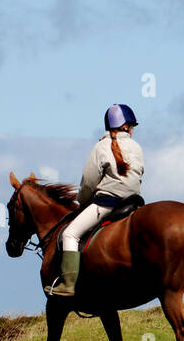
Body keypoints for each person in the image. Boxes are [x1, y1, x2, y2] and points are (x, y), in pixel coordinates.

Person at [51, 104, 145, 297]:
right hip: (133, 203)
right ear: (126, 127)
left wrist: (82, 201)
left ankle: (68, 284)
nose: (133, 130)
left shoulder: (101, 146)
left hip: (107, 204)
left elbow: (89, 182)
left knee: (70, 234)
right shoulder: (136, 147)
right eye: (132, 126)